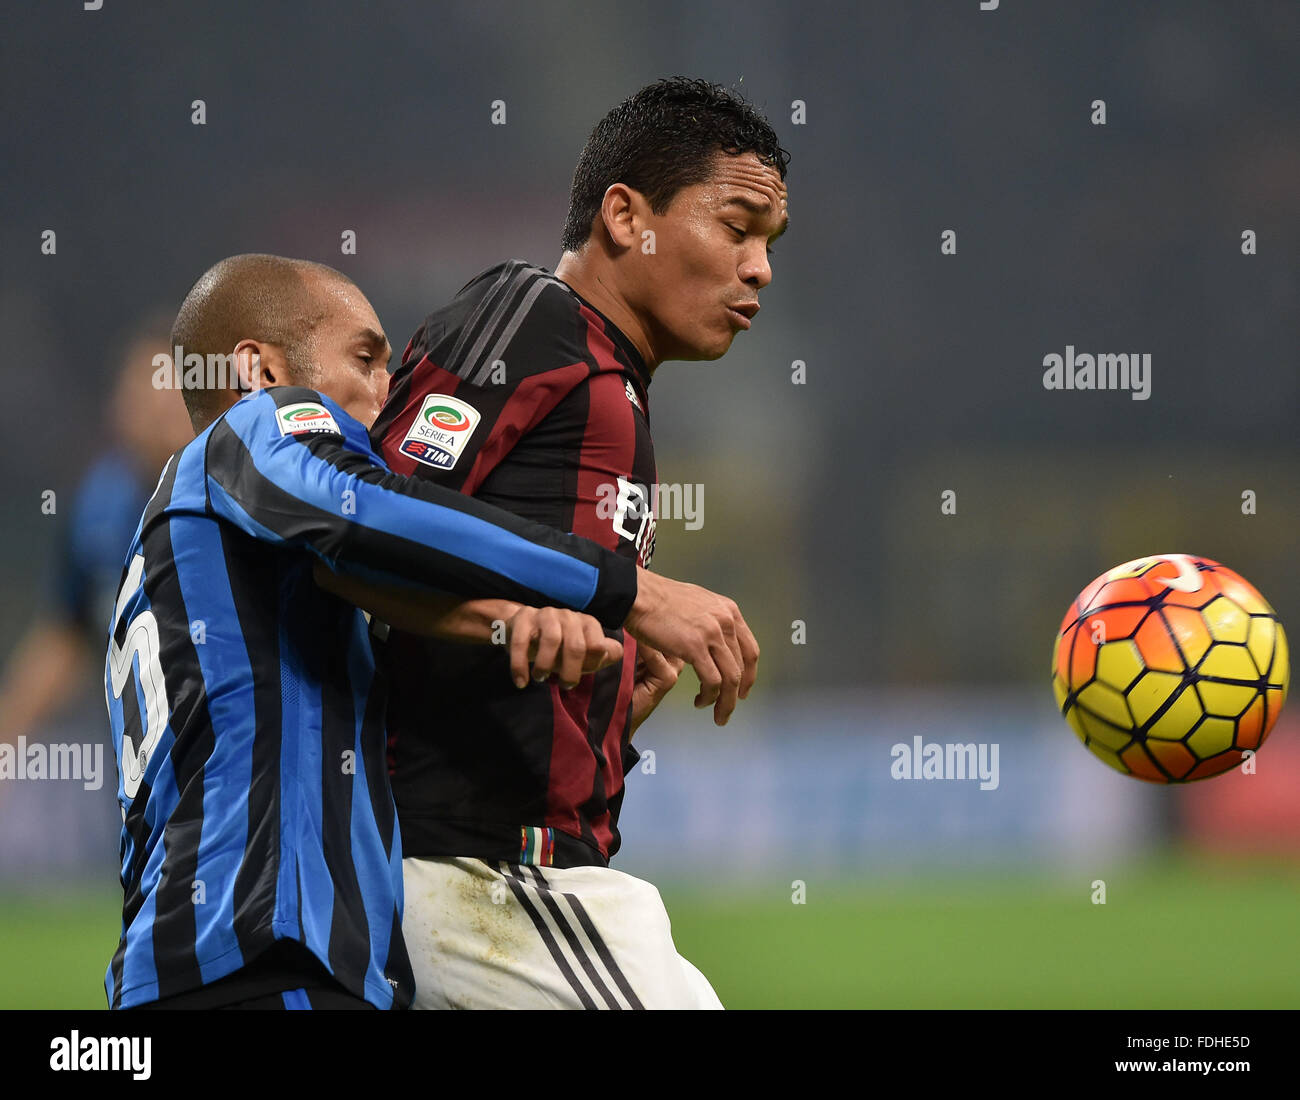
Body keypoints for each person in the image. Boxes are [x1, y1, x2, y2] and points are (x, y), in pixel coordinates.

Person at [107, 252, 755, 1011]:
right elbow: (362, 507)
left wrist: (527, 644)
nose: (389, 390)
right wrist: (621, 588)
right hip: (260, 963)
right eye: (365, 359)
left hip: (202, 964)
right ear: (259, 371)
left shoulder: (202, 556)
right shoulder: (247, 435)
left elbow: (339, 700)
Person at [369, 77, 786, 1008]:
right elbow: (371, 522)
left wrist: (600, 711)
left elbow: (480, 613)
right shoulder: (530, 315)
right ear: (625, 215)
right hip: (483, 871)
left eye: (770, 243)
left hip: (518, 870)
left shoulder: (617, 388)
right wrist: (626, 592)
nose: (760, 267)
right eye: (736, 226)